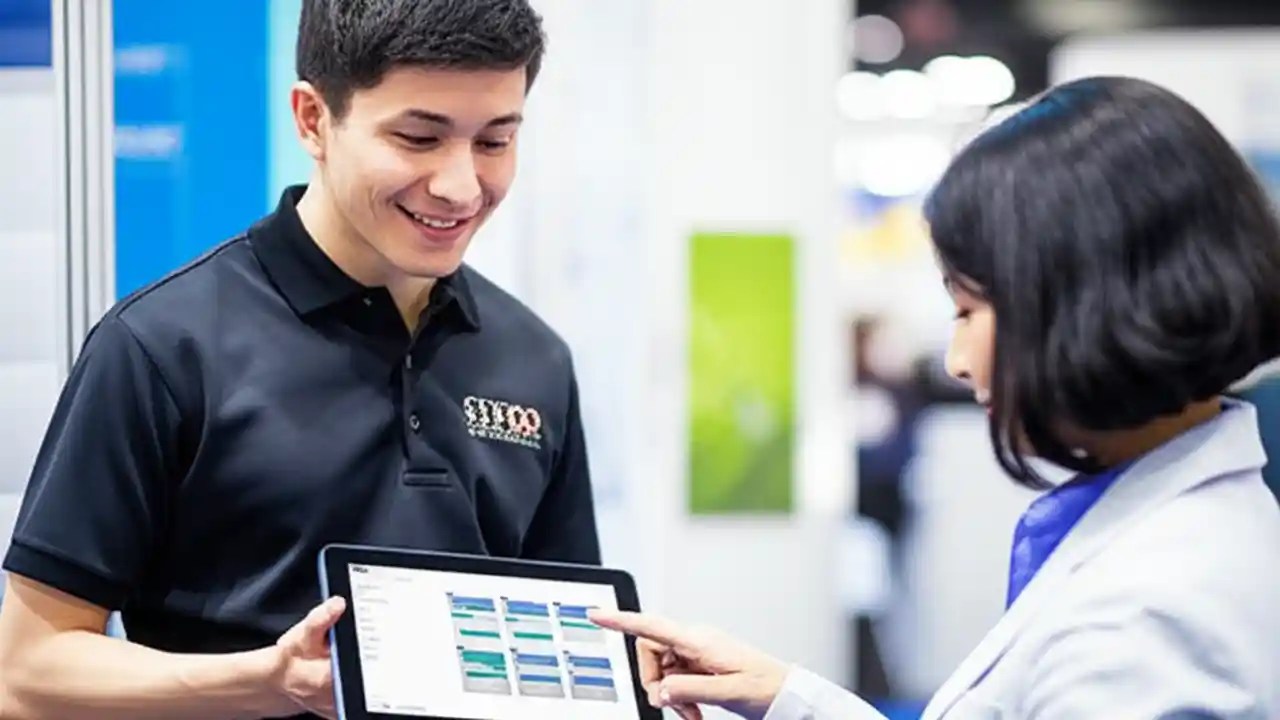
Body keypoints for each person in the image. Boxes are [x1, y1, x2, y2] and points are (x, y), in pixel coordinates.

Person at [591, 76, 1280, 719]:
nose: (955, 362)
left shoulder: (1148, 618)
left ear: (1087, 305)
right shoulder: (1180, 538)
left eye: (969, 311)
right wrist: (788, 697)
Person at [0, 1, 600, 718]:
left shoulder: (533, 359)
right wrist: (265, 681)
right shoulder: (163, 346)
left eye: (494, 142)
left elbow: (570, 648)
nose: (460, 186)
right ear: (313, 120)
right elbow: (26, 672)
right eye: (417, 138)